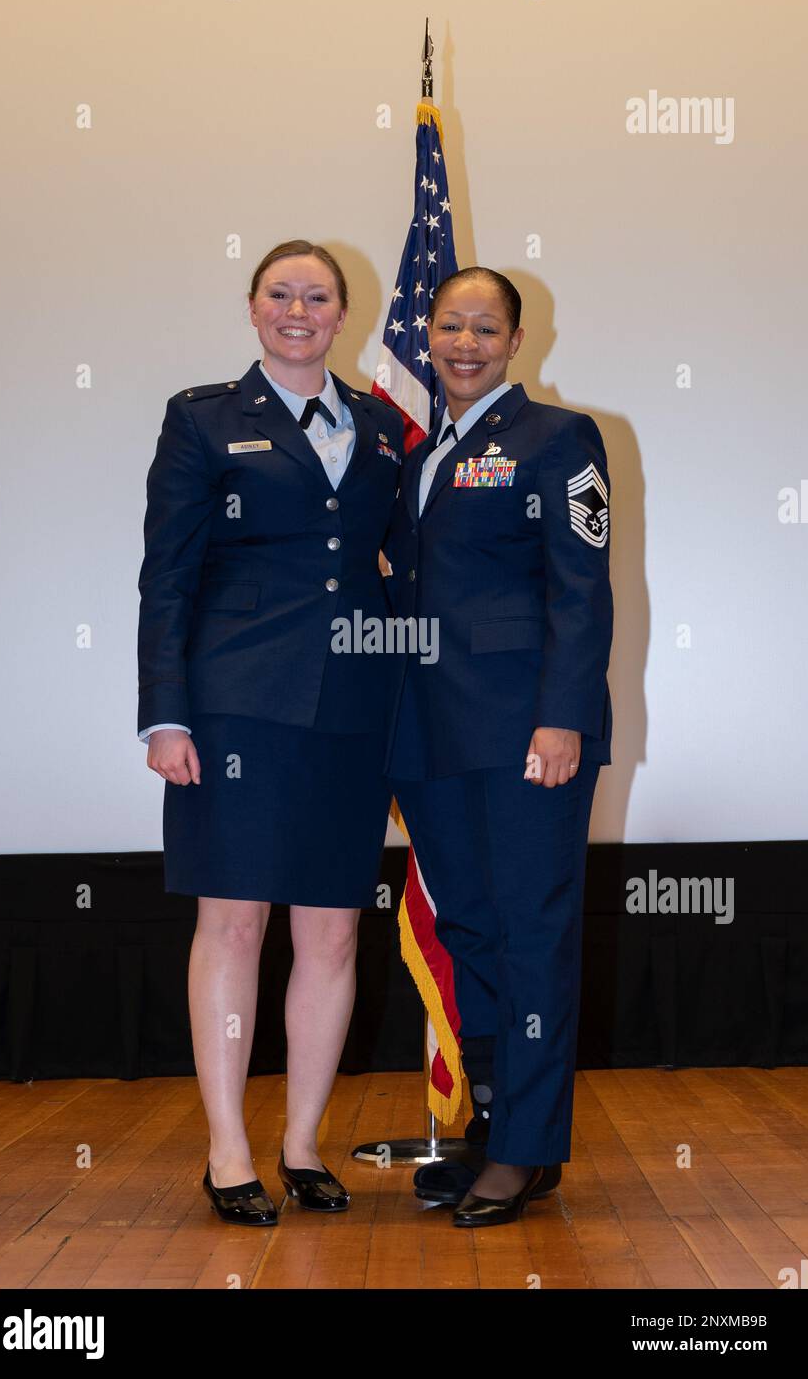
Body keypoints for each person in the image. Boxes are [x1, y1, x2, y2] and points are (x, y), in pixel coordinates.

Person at [137, 240, 403, 1225]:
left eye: (319, 297)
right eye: (281, 293)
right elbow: (166, 574)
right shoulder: (202, 418)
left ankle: (299, 1143)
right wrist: (165, 711)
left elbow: (397, 568)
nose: (300, 309)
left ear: (343, 315)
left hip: (350, 711)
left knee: (332, 933)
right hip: (235, 707)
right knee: (236, 924)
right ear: (254, 309)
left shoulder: (379, 428)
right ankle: (228, 1149)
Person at [383, 265, 613, 1227]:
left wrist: (562, 719)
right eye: (449, 325)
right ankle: (497, 1126)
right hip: (432, 741)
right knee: (472, 930)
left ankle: (525, 1152)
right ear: (426, 336)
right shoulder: (421, 453)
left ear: (518, 342)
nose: (464, 343)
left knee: (531, 935)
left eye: (485, 327)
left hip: (527, 739)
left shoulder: (561, 440)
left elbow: (579, 588)